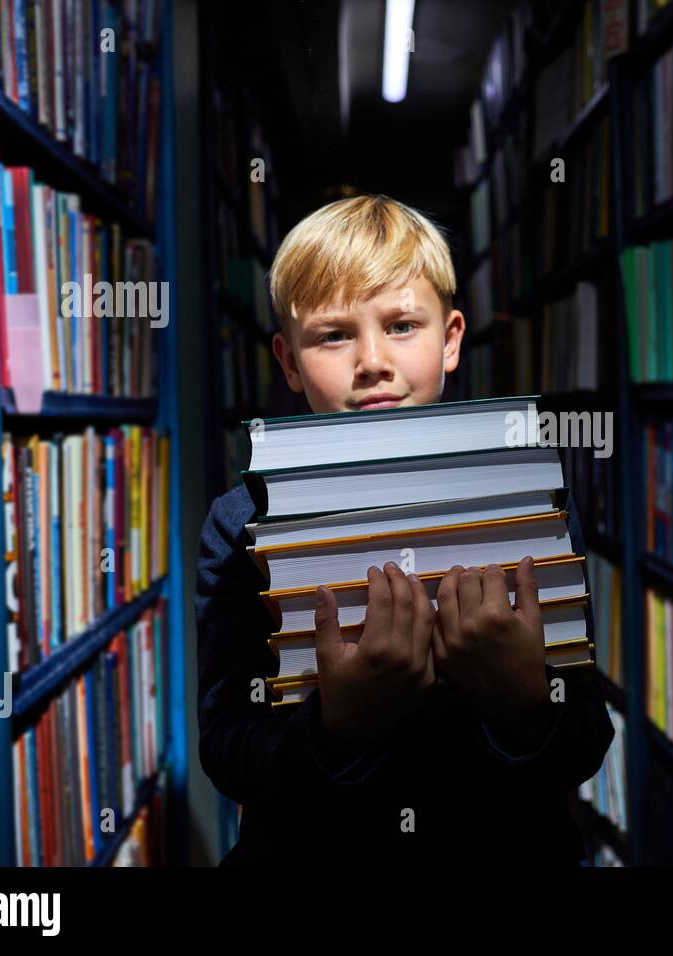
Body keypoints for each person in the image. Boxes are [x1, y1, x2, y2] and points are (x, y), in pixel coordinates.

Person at [195, 194, 615, 865]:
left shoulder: (535, 499)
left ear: (450, 339)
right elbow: (228, 750)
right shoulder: (241, 522)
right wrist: (341, 722)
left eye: (400, 326)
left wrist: (522, 694)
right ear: (289, 362)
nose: (371, 362)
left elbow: (586, 739)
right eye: (333, 335)